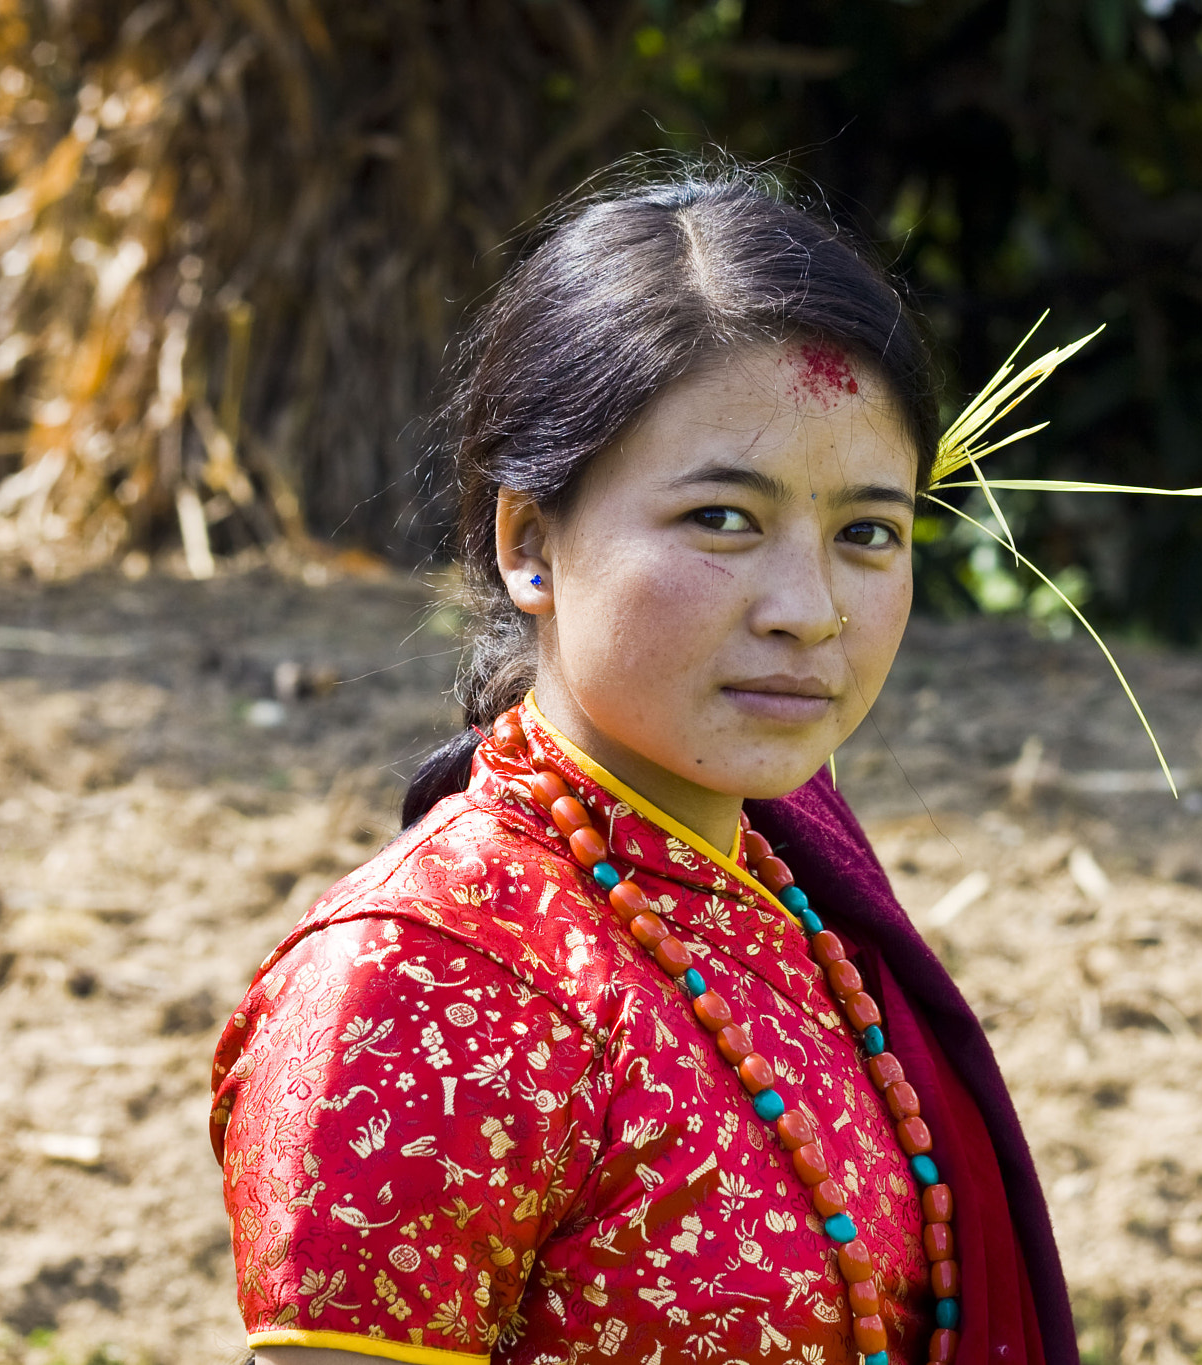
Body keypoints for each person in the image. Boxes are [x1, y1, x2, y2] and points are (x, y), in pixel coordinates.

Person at [210, 171, 1075, 1365]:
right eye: (722, 518)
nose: (809, 610)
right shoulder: (425, 985)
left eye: (866, 533)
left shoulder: (789, 909)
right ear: (530, 544)